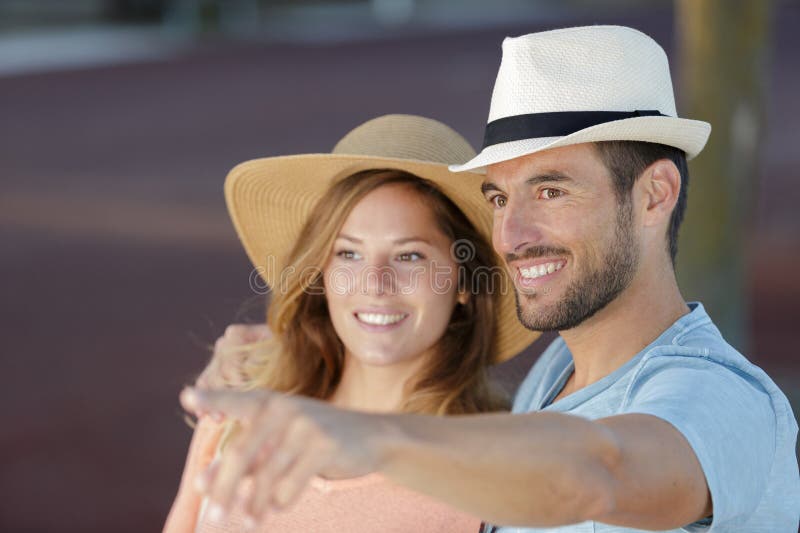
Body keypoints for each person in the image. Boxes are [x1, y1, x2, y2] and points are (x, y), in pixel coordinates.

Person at [180, 26, 800, 532]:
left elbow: (599, 471)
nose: (510, 236)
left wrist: (372, 438)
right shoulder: (551, 379)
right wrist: (279, 350)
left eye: (551, 189)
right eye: (499, 199)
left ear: (654, 194)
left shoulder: (723, 398)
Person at [164, 114, 539, 532]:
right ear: (321, 274)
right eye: (349, 254)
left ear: (465, 281)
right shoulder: (242, 411)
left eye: (410, 255)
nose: (375, 284)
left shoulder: (490, 472)